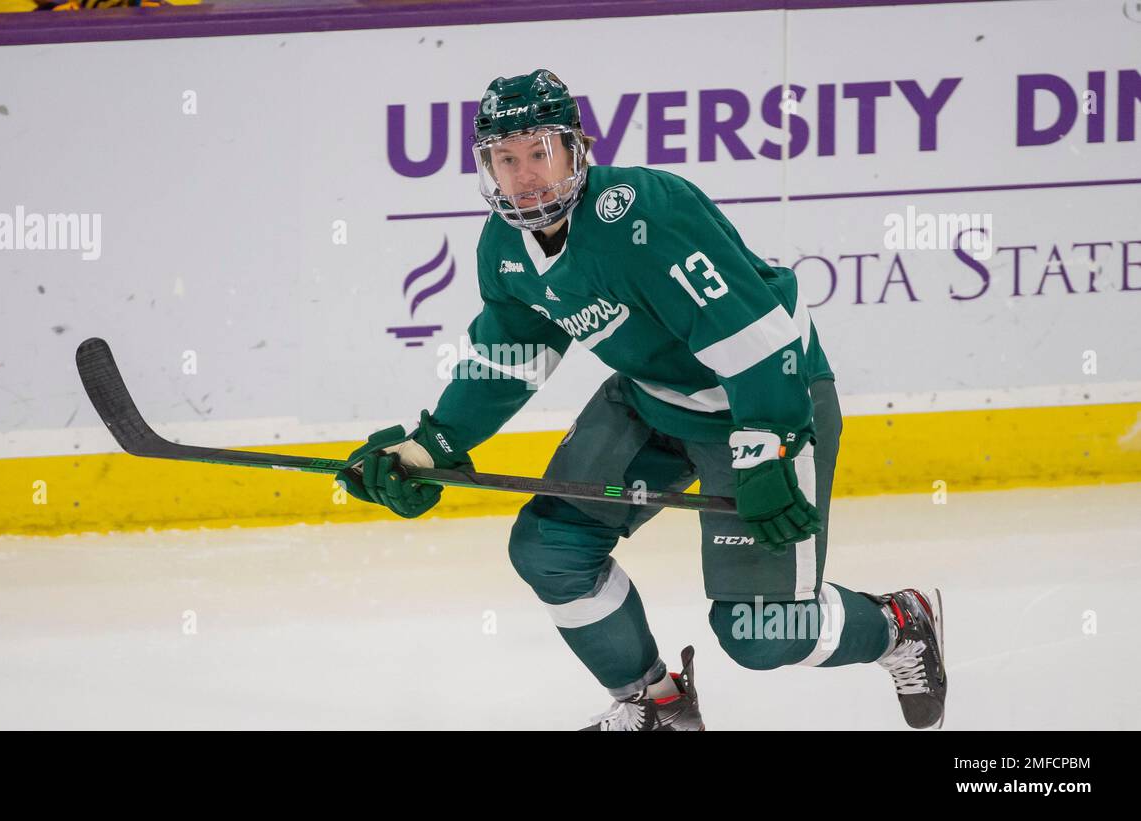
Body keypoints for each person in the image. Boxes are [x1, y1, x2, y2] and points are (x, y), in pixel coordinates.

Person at [338, 69, 946, 731]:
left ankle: (898, 623)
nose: (525, 175)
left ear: (576, 149)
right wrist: (433, 444)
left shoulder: (646, 212)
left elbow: (755, 337)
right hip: (650, 400)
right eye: (506, 159)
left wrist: (768, 442)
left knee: (762, 632)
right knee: (550, 548)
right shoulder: (505, 247)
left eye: (539, 151)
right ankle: (656, 704)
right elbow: (513, 354)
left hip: (767, 398)